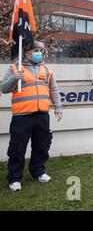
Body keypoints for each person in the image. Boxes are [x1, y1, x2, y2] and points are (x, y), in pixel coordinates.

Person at [0, 41, 63, 192]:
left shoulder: (46, 69)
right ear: (27, 52)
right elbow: (3, 88)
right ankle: (14, 179)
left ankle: (38, 171)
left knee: (42, 146)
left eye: (40, 50)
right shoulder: (15, 68)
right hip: (22, 116)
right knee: (17, 148)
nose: (39, 53)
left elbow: (53, 89)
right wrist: (15, 78)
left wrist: (58, 108)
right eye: (36, 50)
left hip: (42, 115)